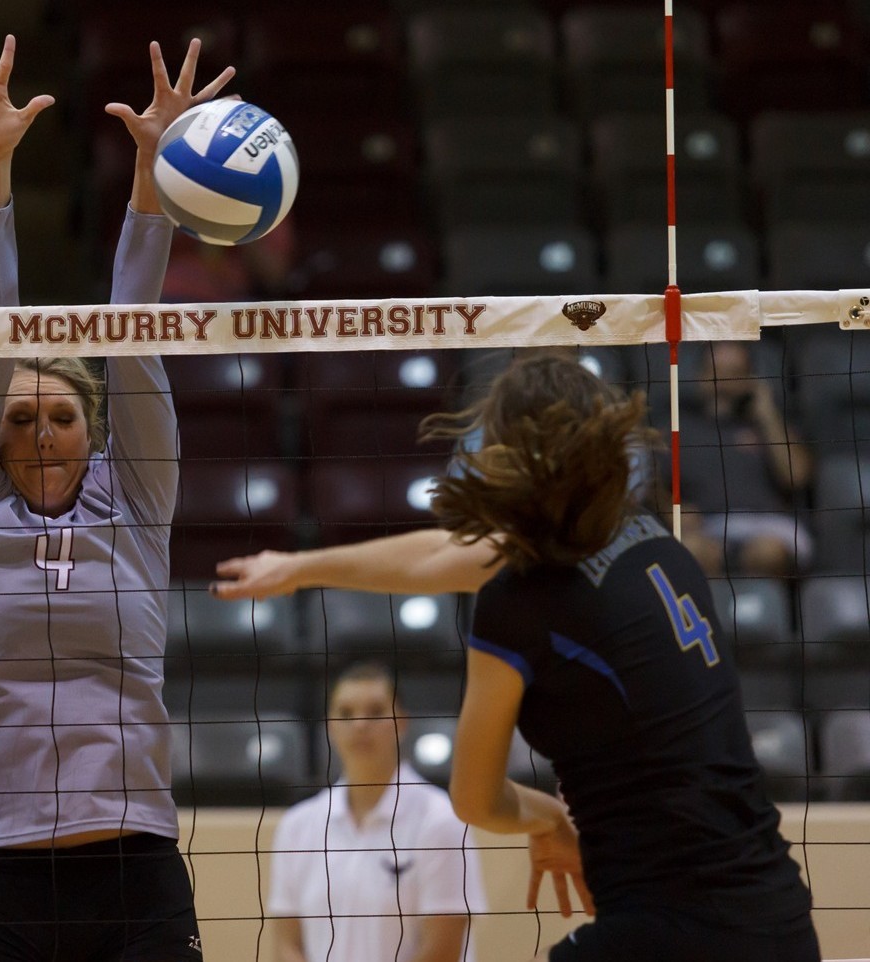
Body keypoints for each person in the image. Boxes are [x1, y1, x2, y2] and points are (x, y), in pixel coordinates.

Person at [218, 355, 820, 962]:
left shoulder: (519, 603)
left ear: (507, 457)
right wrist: (299, 568)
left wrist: (546, 816)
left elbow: (474, 799)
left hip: (670, 932)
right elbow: (443, 556)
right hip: (780, 916)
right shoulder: (656, 540)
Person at [0, 32, 231, 962]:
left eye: (61, 415)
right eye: (19, 419)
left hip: (134, 869)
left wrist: (154, 172)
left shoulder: (133, 504)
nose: (43, 433)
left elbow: (133, 332)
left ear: (92, 429)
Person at [268, 661, 482, 962]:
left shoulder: (440, 820)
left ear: (402, 723)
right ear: (330, 726)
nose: (360, 724)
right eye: (346, 713)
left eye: (375, 712)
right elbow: (286, 946)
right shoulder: (297, 826)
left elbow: (443, 951)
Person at [678, 340, 813, 577]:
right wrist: (675, 510)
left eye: (734, 374)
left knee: (766, 553)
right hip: (710, 528)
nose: (723, 383)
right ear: (701, 377)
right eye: (716, 373)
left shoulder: (772, 424)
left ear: (750, 379)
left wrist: (766, 413)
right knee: (690, 550)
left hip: (772, 527)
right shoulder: (682, 429)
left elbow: (797, 477)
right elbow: (655, 487)